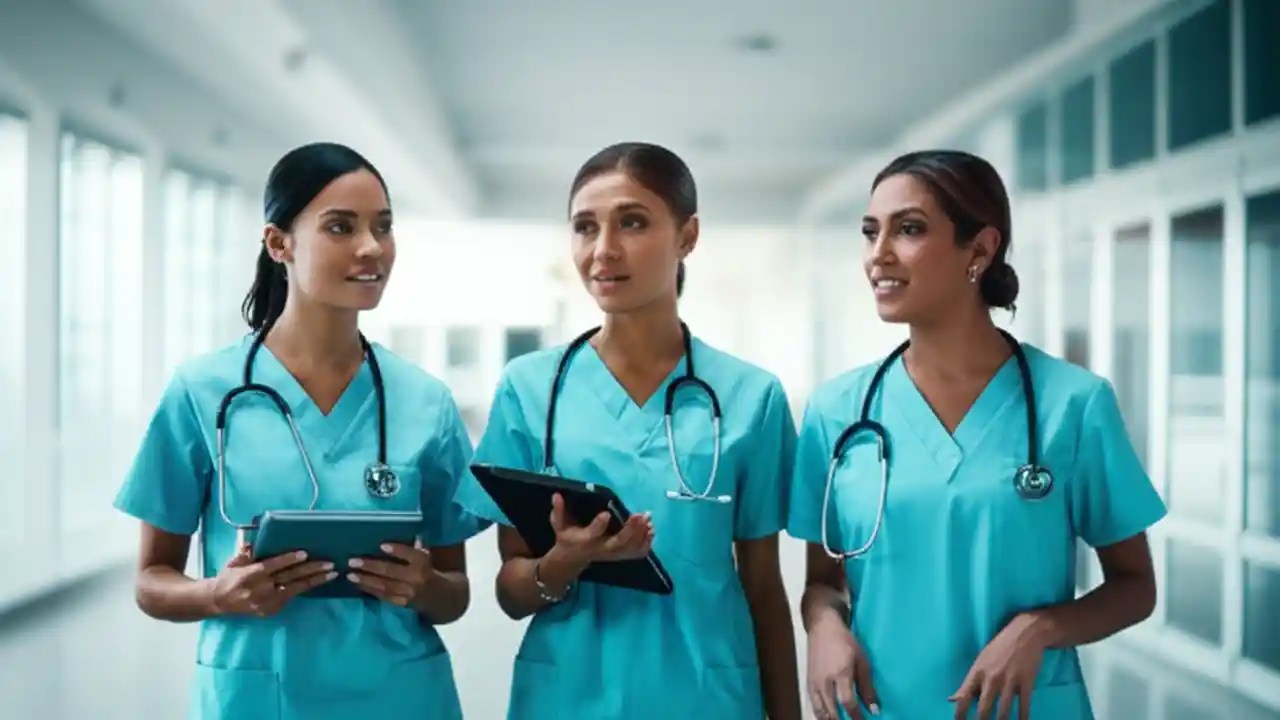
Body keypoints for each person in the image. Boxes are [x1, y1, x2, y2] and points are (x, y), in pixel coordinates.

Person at [113, 142, 488, 719]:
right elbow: (151, 582)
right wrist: (217, 593)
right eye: (341, 227)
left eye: (382, 227)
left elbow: (454, 592)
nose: (371, 248)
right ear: (278, 242)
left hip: (400, 696)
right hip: (260, 697)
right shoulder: (201, 392)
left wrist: (423, 587)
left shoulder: (425, 402)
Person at [789, 149, 1166, 720]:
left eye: (908, 229)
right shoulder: (837, 411)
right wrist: (822, 629)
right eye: (871, 233)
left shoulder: (1073, 403)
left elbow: (1135, 587)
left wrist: (1038, 629)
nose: (878, 255)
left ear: (980, 249)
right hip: (879, 707)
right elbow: (824, 582)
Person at [453, 141, 802, 719]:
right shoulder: (531, 389)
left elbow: (764, 589)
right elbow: (511, 590)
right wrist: (561, 564)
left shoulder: (751, 398)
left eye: (632, 222)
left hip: (707, 697)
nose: (603, 250)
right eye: (585, 228)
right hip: (569, 697)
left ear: (687, 236)